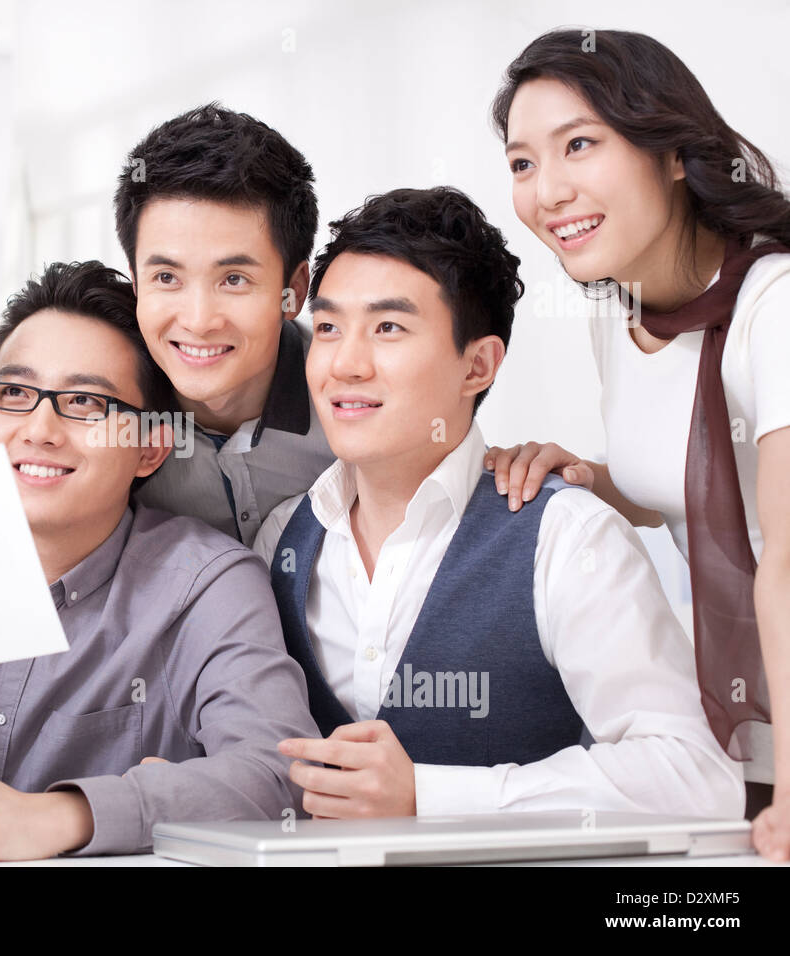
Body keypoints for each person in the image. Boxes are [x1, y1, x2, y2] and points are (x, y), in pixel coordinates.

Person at [254, 187, 744, 821]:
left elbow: (697, 774)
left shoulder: (567, 536)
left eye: (388, 328)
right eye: (327, 328)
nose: (344, 363)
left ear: (477, 365)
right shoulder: (279, 540)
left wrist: (429, 796)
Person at [0, 260, 318, 863]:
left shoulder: (203, 584)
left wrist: (63, 814)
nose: (39, 429)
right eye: (15, 394)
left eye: (84, 402)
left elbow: (282, 776)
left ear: (152, 447)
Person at [486, 29, 790, 858]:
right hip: (744, 725)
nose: (548, 190)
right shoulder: (615, 311)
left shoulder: (776, 304)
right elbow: (689, 484)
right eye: (522, 163)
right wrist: (586, 475)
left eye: (579, 145)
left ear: (672, 153)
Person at [114, 104, 333, 546]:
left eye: (234, 279)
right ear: (136, 284)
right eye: (167, 278)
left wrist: (508, 466)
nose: (198, 321)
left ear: (292, 290)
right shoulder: (108, 410)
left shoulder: (352, 398)